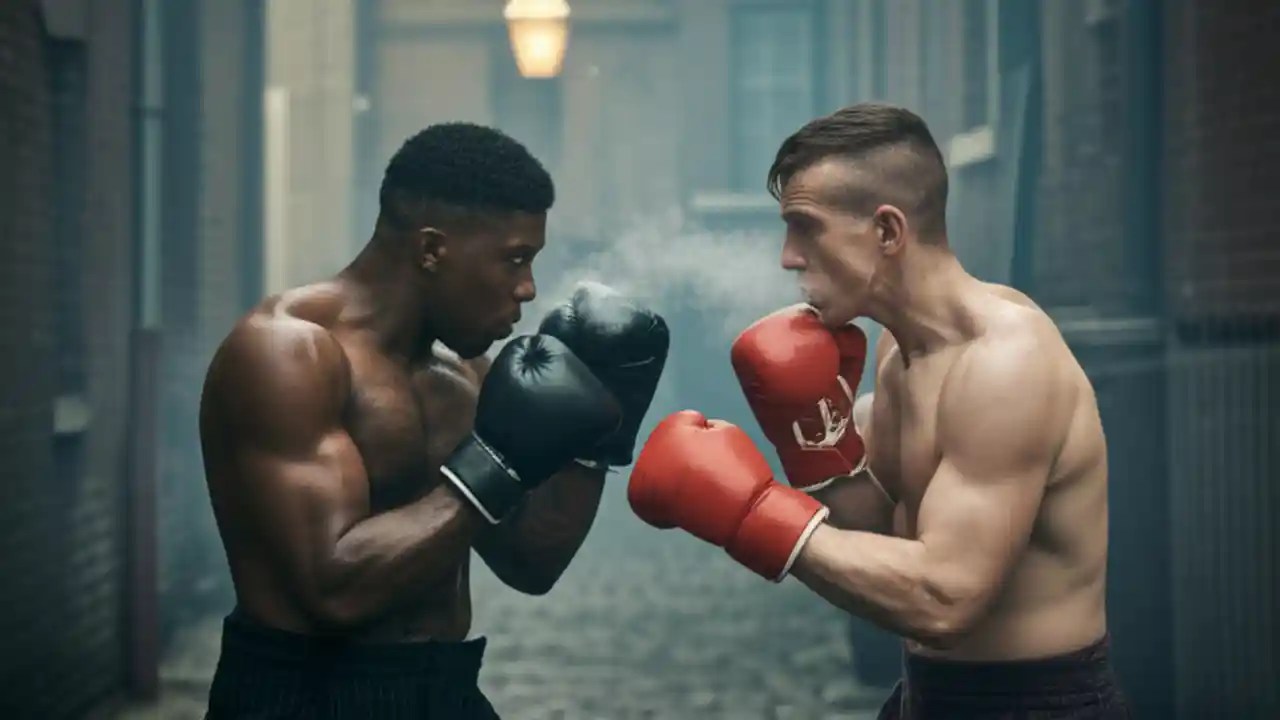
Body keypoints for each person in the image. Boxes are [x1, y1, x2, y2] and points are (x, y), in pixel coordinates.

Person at [627, 103, 1130, 718]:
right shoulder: (899, 351)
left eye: (805, 227)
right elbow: (886, 536)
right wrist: (823, 454)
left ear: (888, 232)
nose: (788, 256)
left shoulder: (1006, 365)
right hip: (925, 693)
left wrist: (756, 514)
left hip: (1034, 702)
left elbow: (945, 597)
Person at [199, 122, 669, 719]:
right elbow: (331, 591)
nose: (528, 289)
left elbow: (531, 562)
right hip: (306, 697)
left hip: (441, 689)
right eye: (515, 259)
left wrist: (601, 435)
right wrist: (494, 465)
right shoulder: (288, 355)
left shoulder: (465, 370)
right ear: (430, 249)